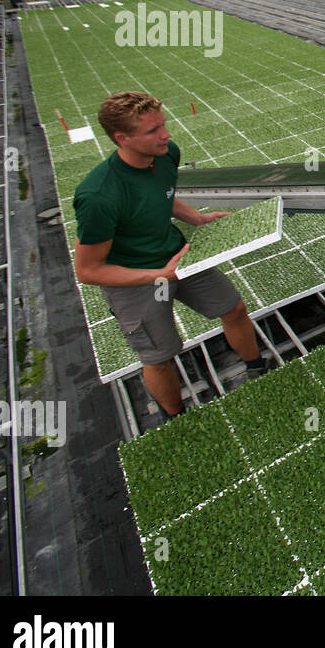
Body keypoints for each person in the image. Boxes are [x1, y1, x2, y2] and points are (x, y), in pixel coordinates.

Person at [74, 91, 268, 420]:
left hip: (179, 257)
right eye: (152, 131)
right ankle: (178, 418)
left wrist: (196, 218)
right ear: (122, 139)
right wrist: (156, 276)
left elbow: (162, 196)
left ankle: (257, 370)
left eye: (163, 125)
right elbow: (88, 270)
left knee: (233, 308)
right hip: (135, 281)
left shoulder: (166, 155)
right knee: (159, 357)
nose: (165, 135)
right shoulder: (98, 196)